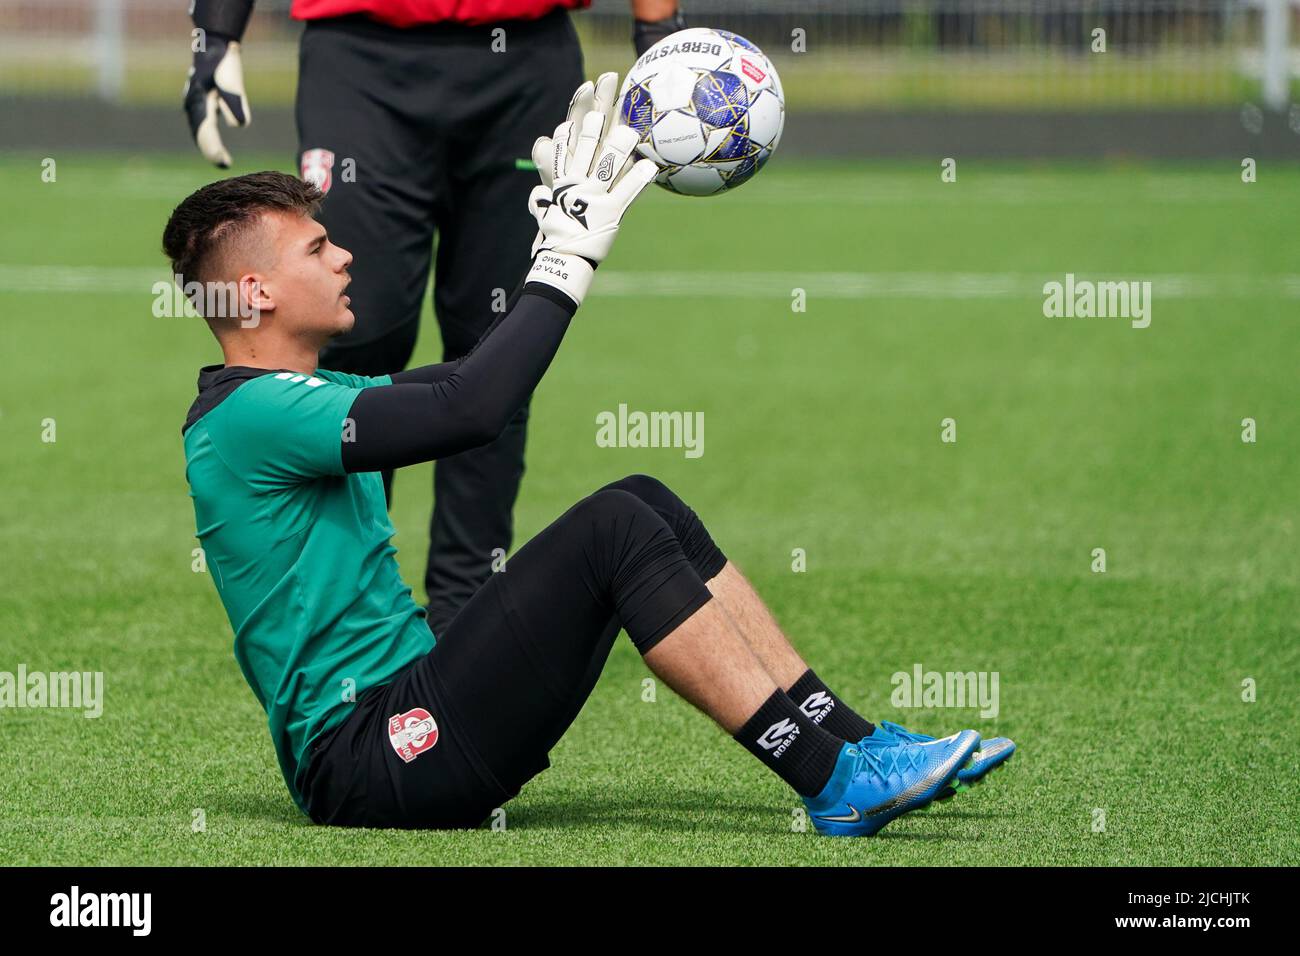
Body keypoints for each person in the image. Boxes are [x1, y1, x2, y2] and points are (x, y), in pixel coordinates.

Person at [167, 79, 1015, 836]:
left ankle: (856, 743)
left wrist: (553, 237)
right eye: (317, 249)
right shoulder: (253, 416)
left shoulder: (289, 400)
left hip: (410, 708)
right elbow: (473, 410)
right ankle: (832, 782)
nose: (344, 254)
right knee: (613, 528)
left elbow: (465, 382)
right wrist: (566, 258)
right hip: (371, 762)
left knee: (647, 499)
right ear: (255, 293)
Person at [184, 0, 689, 634]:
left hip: (526, 57)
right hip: (359, 55)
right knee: (356, 332)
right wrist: (218, 30)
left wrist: (657, 29)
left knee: (498, 349)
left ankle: (466, 620)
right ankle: (354, 614)